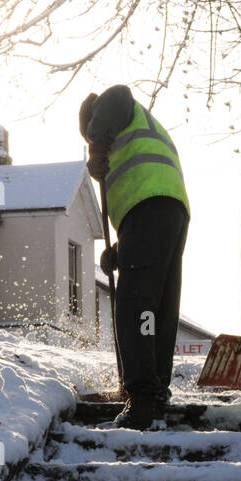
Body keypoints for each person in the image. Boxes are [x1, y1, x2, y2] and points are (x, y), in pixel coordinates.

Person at [80, 85, 190, 429]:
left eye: (93, 132)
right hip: (169, 211)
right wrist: (120, 250)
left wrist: (95, 144)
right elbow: (144, 211)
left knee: (134, 303)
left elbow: (118, 94)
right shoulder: (142, 132)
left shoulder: (117, 108)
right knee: (157, 308)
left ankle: (142, 398)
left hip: (149, 209)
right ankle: (156, 390)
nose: (97, 141)